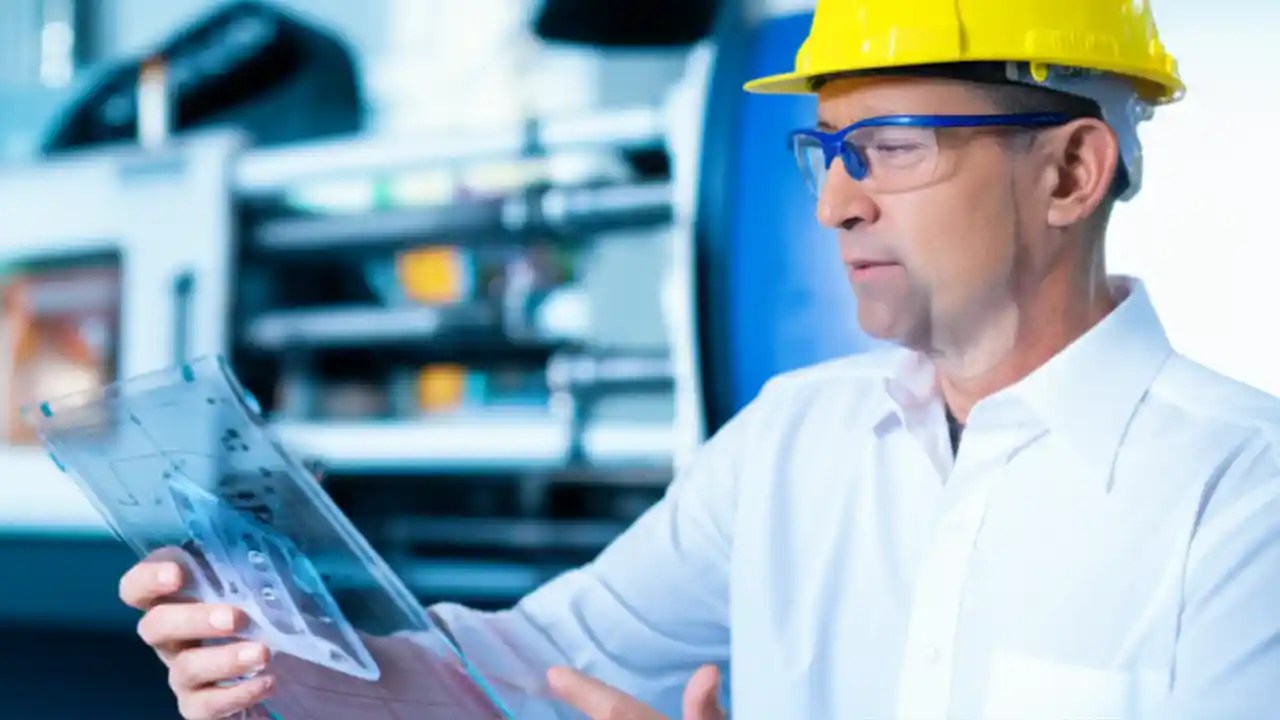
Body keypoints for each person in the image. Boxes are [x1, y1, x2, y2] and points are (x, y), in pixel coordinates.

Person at [119, 0, 1280, 718]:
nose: (834, 204)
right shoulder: (794, 438)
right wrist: (287, 661)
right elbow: (534, 667)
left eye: (887, 150)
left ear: (1070, 174)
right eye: (824, 150)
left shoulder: (1243, 495)